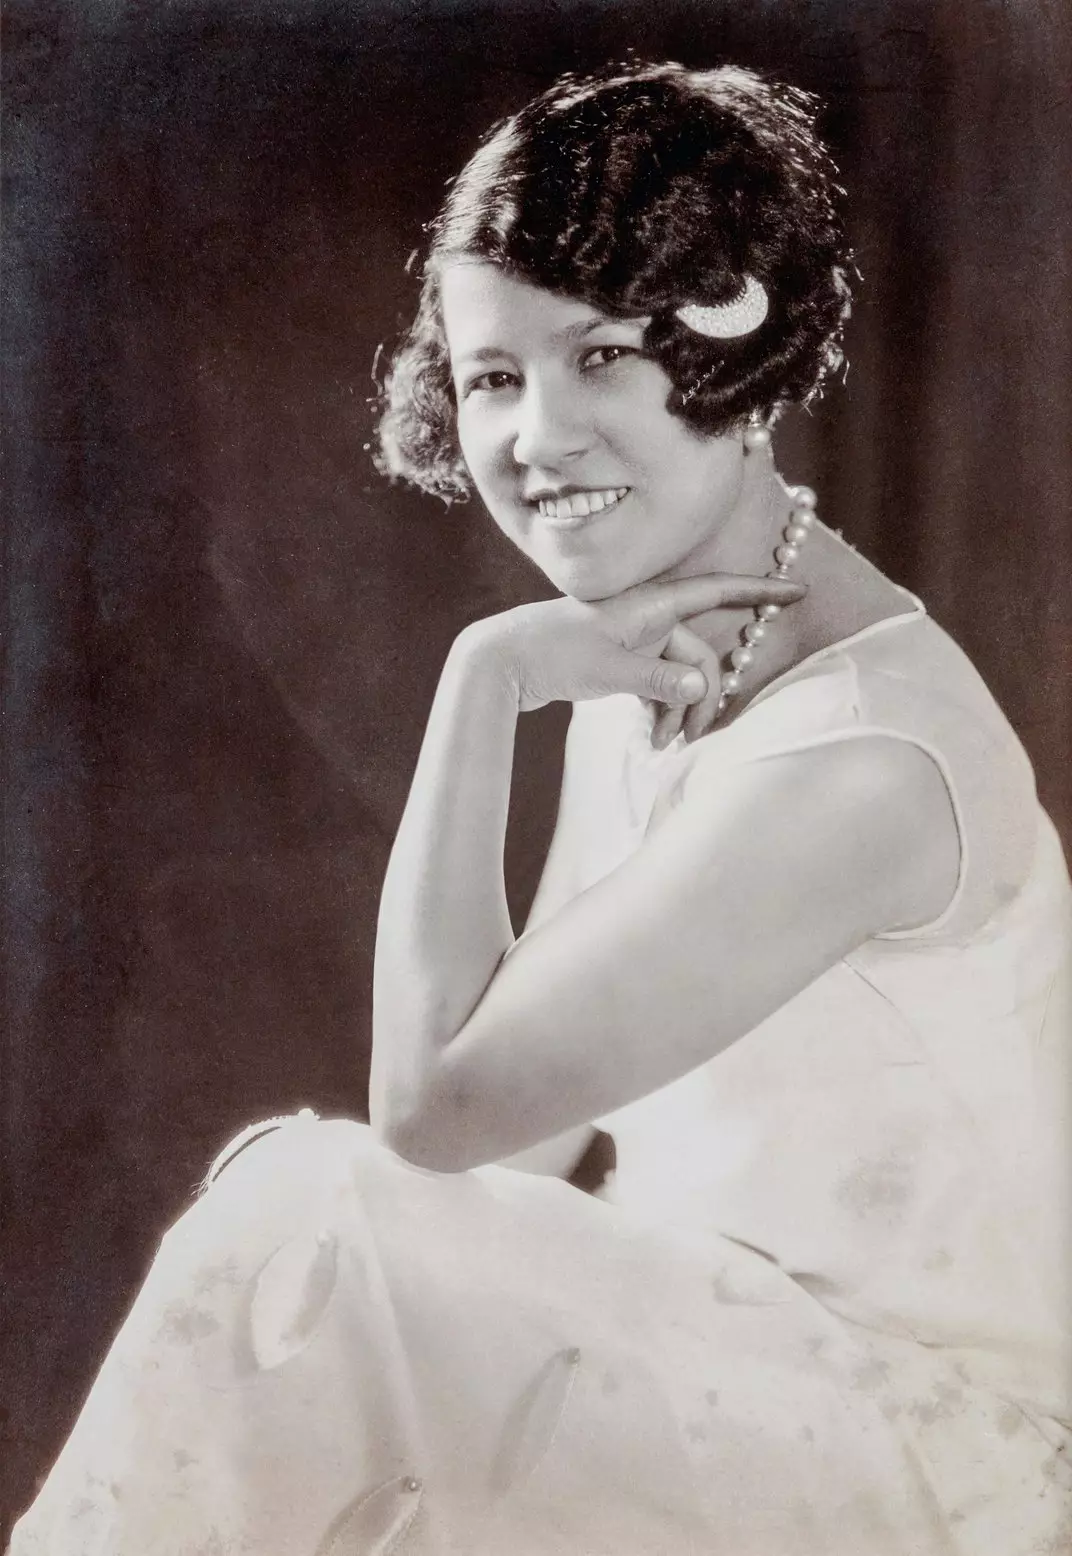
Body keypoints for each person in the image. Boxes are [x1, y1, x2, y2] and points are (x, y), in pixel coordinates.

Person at [11, 60, 1071, 1556]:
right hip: (728, 1396)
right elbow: (514, 1151)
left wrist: (484, 680)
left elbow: (437, 1117)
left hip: (944, 1466)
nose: (535, 439)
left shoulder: (858, 753)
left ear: (736, 361)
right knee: (316, 1277)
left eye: (597, 361)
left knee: (317, 1220)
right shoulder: (656, 649)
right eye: (495, 375)